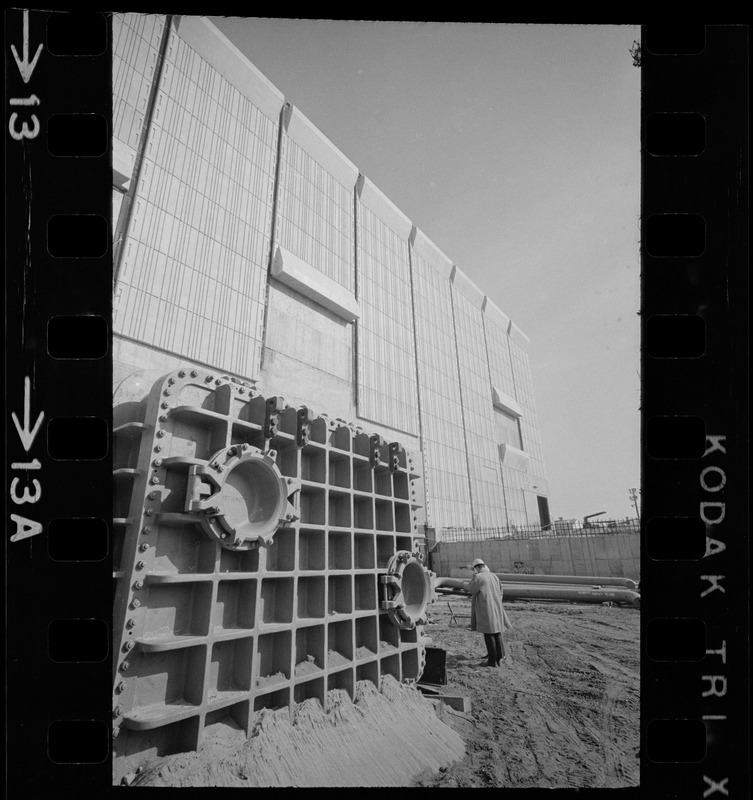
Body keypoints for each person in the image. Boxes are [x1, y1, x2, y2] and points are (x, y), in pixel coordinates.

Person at [467, 558, 512, 667]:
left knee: (489, 633)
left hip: (486, 608)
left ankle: (492, 661)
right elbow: (501, 591)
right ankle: (500, 656)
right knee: (497, 631)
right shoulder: (494, 576)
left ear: (477, 568)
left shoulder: (478, 577)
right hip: (496, 607)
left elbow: (471, 590)